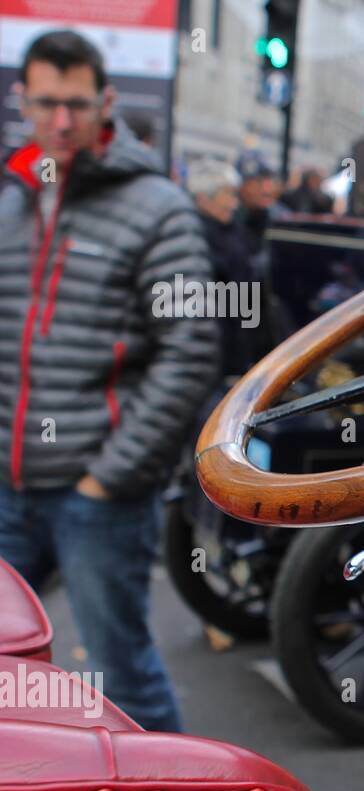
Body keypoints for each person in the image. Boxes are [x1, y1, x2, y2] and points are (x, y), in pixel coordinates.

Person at [0, 30, 218, 730]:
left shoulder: (159, 206)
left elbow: (190, 351)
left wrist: (111, 476)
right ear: (22, 101)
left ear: (107, 102)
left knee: (124, 676)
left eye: (76, 103)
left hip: (98, 495)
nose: (61, 121)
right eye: (46, 103)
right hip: (8, 484)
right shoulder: (13, 195)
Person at [186, 157, 261, 376]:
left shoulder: (233, 229)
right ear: (203, 199)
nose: (234, 203)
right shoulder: (192, 235)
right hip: (213, 351)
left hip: (238, 342)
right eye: (227, 195)